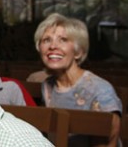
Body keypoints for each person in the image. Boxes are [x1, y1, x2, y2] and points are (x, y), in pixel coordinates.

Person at [35, 13, 122, 147]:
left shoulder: (100, 91)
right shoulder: (47, 85)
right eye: (46, 40)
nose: (53, 46)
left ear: (78, 52)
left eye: (63, 40)